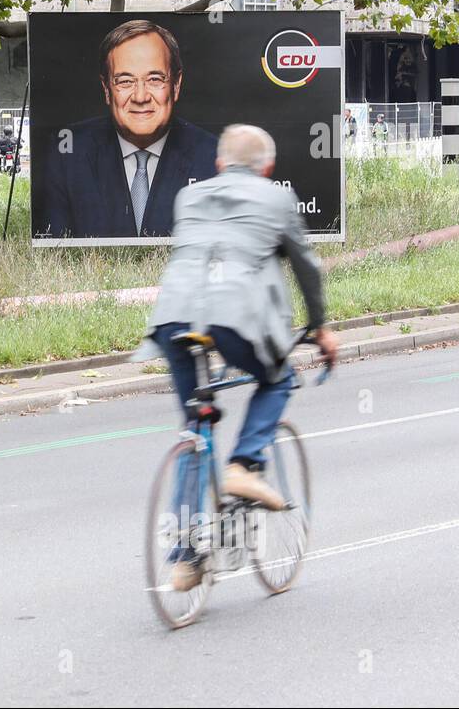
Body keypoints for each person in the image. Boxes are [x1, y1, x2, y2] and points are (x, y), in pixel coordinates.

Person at [137, 124, 337, 591]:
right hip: (232, 319)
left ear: (219, 164)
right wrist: (321, 327)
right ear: (267, 168)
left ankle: (186, 557)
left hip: (173, 319)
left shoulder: (188, 197)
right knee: (278, 379)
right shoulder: (276, 198)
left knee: (196, 422)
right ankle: (243, 465)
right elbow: (306, 266)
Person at [36, 19, 218, 239]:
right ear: (106, 89)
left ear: (176, 85)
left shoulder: (213, 157)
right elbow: (53, 247)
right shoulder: (67, 156)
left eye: (155, 79)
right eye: (125, 81)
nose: (140, 97)